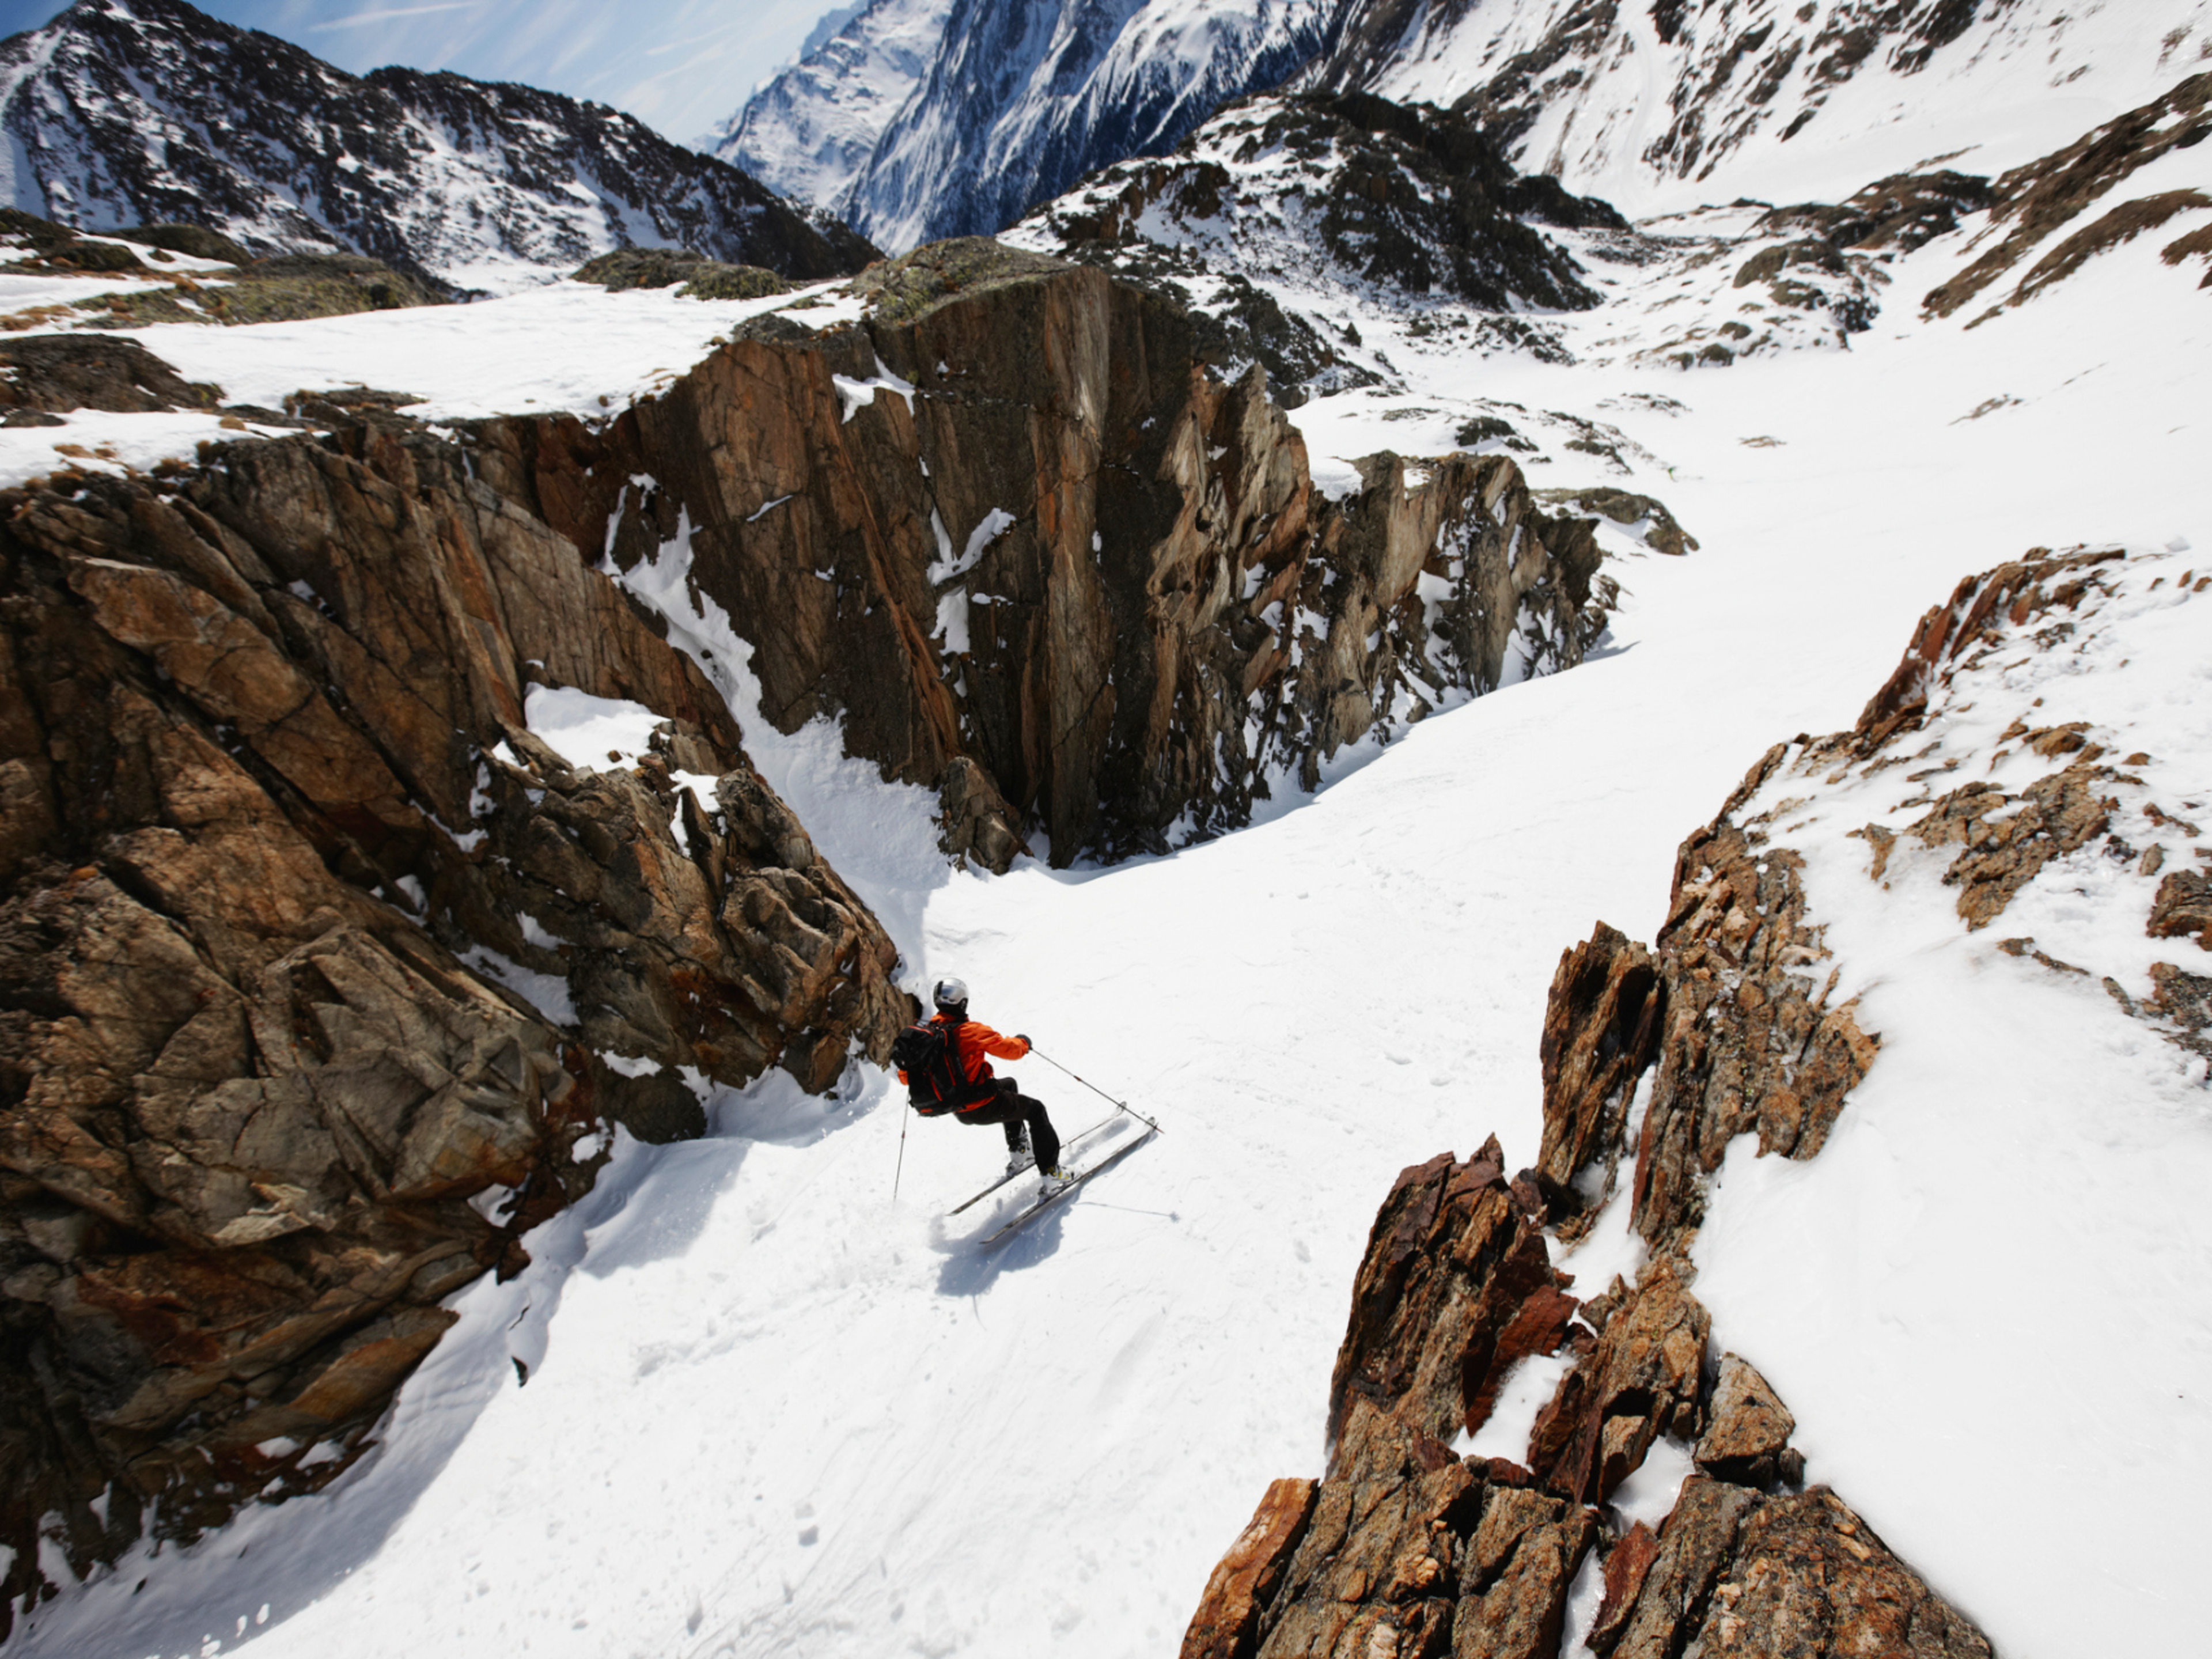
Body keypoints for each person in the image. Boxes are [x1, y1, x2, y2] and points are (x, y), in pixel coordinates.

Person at [902, 976, 1070, 1187]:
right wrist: (1024, 1043)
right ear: (963, 1003)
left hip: (959, 1108)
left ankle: (1021, 1153)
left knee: (1009, 1084)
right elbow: (1010, 1050)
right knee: (1036, 1110)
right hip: (983, 1106)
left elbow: (905, 1076)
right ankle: (1052, 1173)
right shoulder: (970, 1031)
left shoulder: (928, 1037)